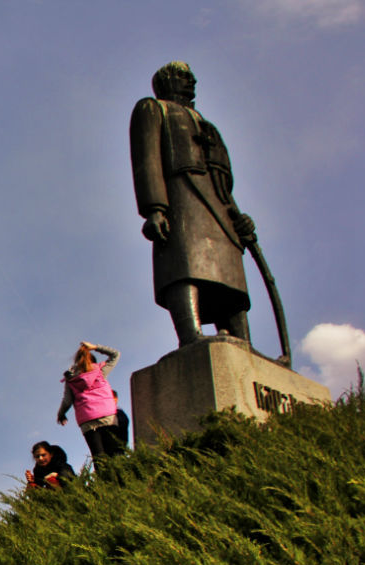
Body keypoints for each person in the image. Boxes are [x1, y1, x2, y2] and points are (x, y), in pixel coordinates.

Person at [130, 61, 256, 347]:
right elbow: (146, 159)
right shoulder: (154, 108)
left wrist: (239, 219)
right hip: (182, 198)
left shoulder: (206, 124)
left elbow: (223, 181)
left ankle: (244, 342)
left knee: (230, 276)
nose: (191, 81)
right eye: (183, 76)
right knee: (184, 265)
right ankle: (191, 335)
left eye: (191, 77)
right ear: (165, 81)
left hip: (221, 210)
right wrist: (155, 208)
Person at [57, 341, 123, 460]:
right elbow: (115, 354)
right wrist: (95, 347)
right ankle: (122, 478)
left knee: (99, 458)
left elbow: (67, 401)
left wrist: (61, 414)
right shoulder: (100, 371)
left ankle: (104, 478)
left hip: (87, 420)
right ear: (93, 361)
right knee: (115, 454)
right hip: (107, 415)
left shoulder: (71, 379)